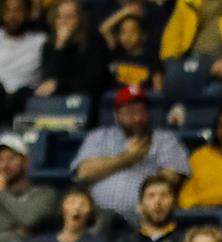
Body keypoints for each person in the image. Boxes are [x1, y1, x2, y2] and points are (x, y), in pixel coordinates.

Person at [73, 85, 190, 214]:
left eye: (141, 111)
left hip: (144, 214)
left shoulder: (165, 139)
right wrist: (128, 158)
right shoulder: (99, 136)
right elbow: (84, 173)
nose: (137, 118)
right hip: (97, 215)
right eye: (130, 112)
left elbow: (170, 179)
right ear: (117, 116)